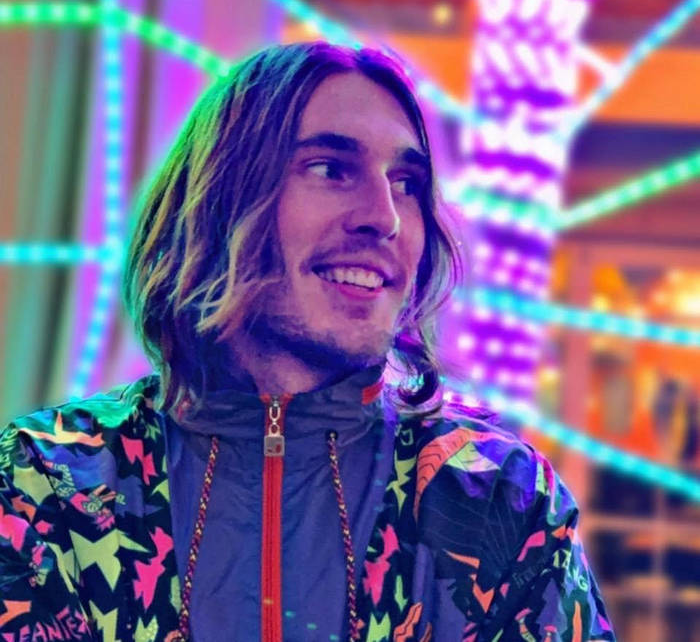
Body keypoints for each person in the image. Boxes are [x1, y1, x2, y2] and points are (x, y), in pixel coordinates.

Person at [0, 42, 615, 641]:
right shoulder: (48, 486)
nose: (385, 216)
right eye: (329, 169)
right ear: (217, 197)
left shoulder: (498, 496)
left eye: (406, 182)